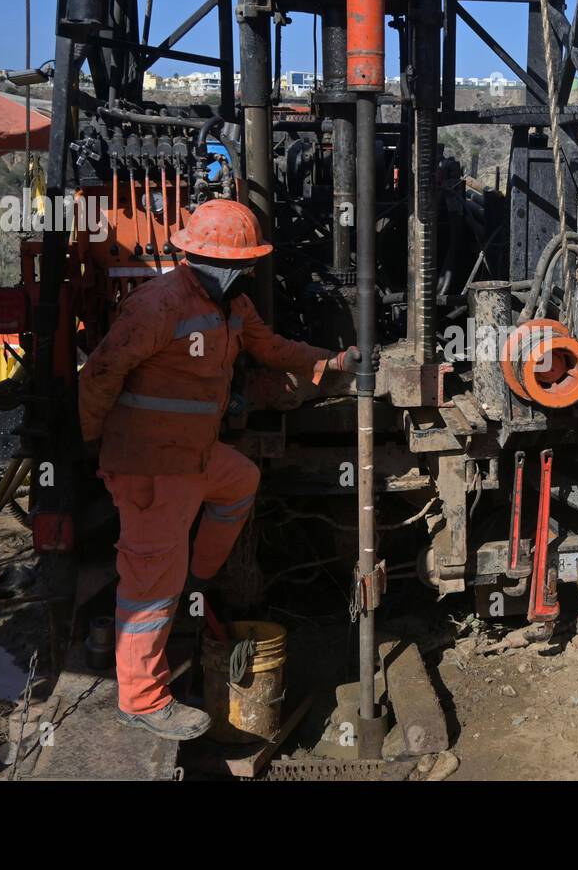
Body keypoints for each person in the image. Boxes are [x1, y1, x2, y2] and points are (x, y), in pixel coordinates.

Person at [79, 198, 372, 739]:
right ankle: (141, 698)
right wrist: (96, 441)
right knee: (148, 586)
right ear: (199, 258)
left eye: (247, 264)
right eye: (239, 264)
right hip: (150, 467)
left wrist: (327, 361)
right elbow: (100, 371)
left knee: (241, 480)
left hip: (193, 457)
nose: (246, 272)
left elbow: (271, 347)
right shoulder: (158, 305)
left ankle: (198, 576)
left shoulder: (231, 306)